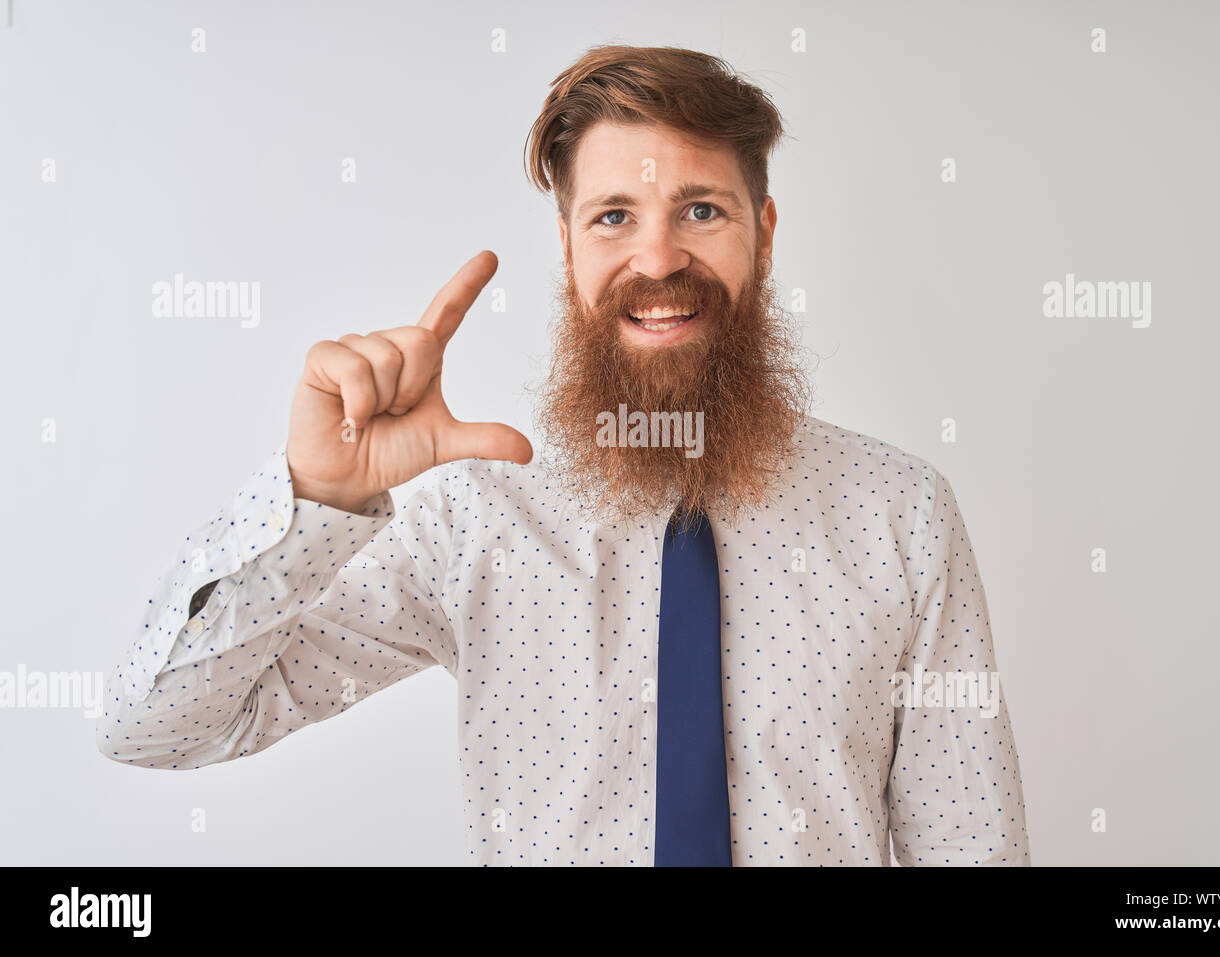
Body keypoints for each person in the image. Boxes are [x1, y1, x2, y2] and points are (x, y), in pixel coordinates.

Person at [97, 44, 1031, 867]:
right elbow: (159, 727)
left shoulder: (899, 512)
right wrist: (314, 503)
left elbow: (974, 849)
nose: (658, 258)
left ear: (766, 233)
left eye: (701, 209)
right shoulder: (475, 519)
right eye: (614, 216)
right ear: (569, 246)